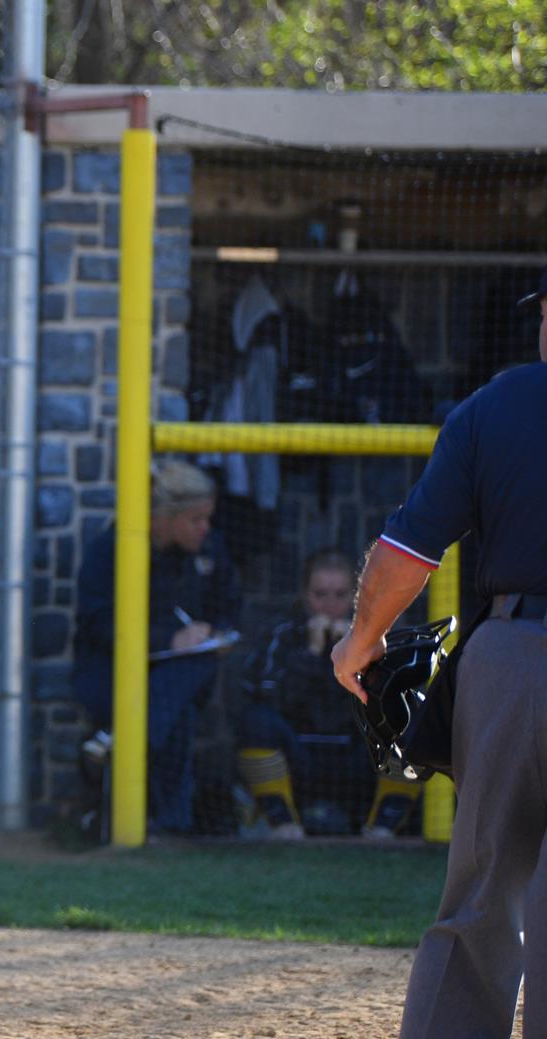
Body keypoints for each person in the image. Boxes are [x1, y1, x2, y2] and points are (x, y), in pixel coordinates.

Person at [331, 279, 547, 1038]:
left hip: (509, 656)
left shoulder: (494, 405)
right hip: (508, 648)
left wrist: (361, 640)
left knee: (483, 890)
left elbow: (406, 550)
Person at [72, 459, 238, 836]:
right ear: (165, 517)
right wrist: (166, 640)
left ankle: (119, 738)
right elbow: (97, 625)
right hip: (110, 673)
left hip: (183, 673)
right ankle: (170, 826)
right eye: (195, 519)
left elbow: (230, 607)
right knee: (176, 715)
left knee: (193, 667)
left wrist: (214, 631)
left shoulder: (209, 549)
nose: (205, 528)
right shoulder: (109, 550)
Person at [236, 548, 418, 838]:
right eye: (320, 595)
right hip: (299, 759)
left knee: (412, 719)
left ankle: (382, 830)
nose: (330, 606)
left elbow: (397, 700)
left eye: (340, 595)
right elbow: (264, 697)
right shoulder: (282, 632)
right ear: (305, 595)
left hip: (358, 761)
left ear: (356, 596)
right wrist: (310, 652)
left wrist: (359, 655)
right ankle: (283, 826)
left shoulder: (380, 635)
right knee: (254, 720)